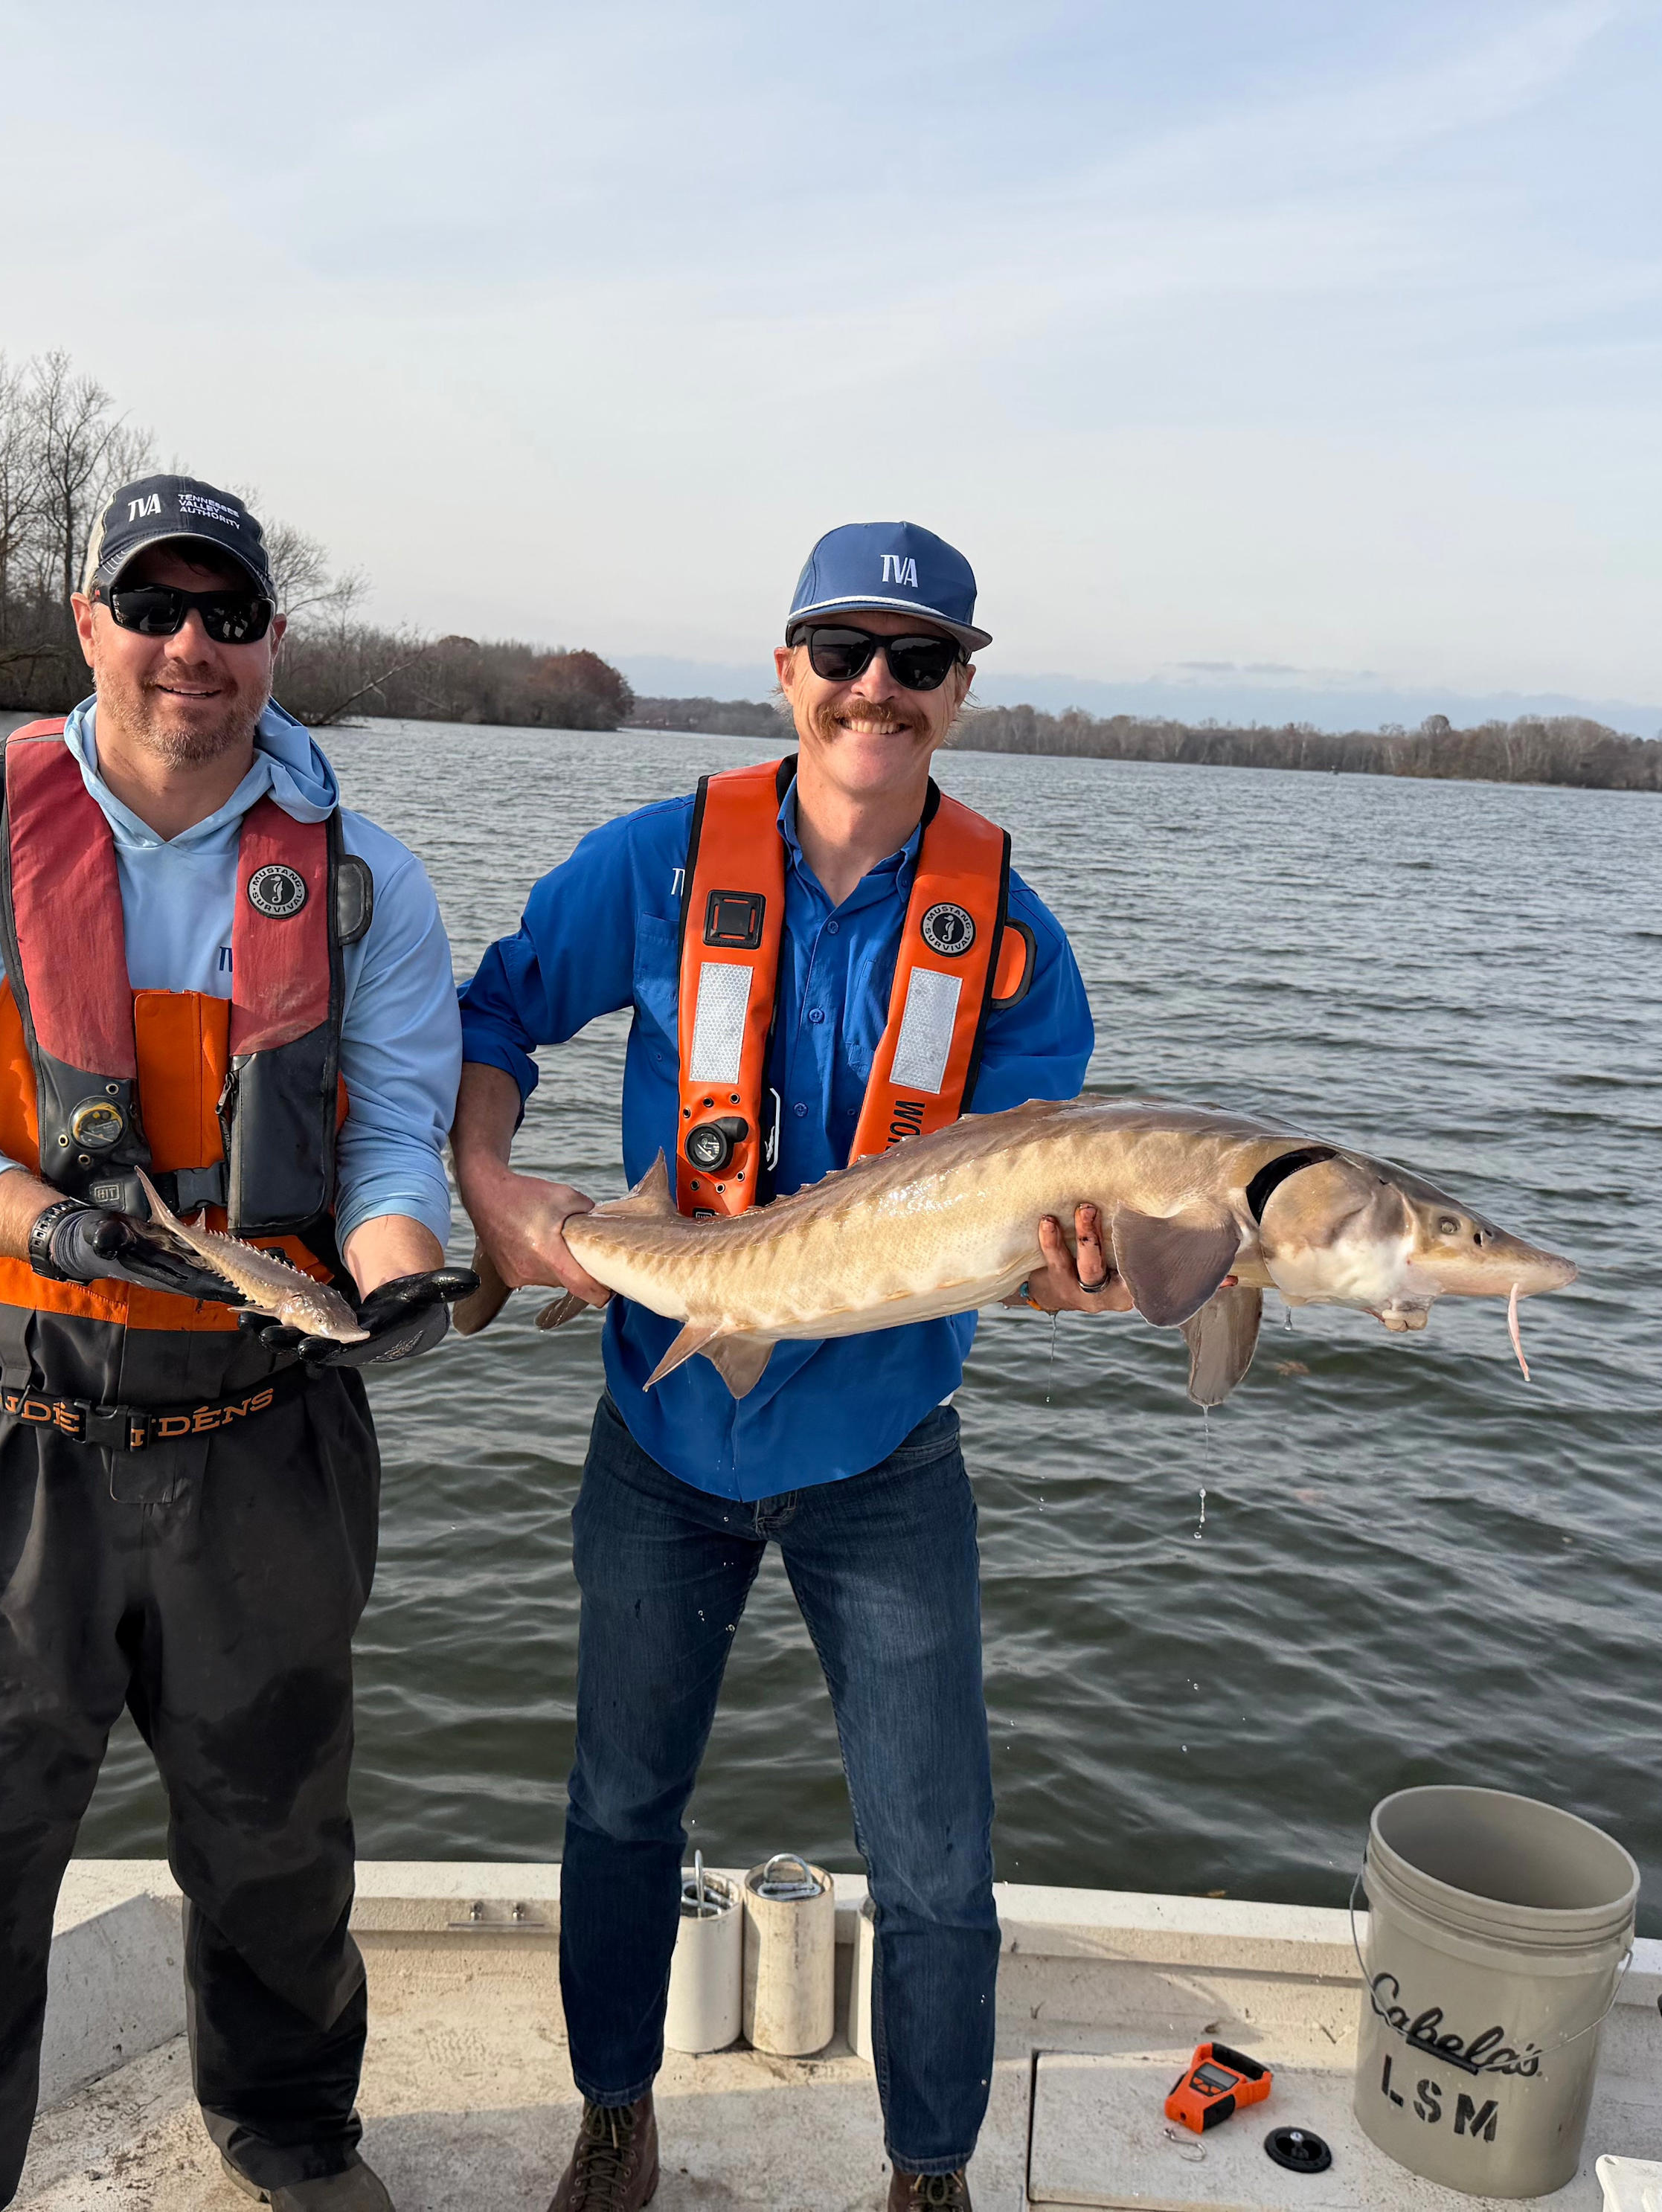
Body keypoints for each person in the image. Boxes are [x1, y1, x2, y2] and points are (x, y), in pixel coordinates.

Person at [0, 473, 472, 2212]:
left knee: (280, 1845)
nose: (192, 647)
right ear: (87, 622)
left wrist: (397, 1275)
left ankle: (293, 2134)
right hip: (7, 1431)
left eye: (229, 614)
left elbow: (393, 1140)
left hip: (266, 1428)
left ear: (270, 641)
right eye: (153, 609)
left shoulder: (362, 883)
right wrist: (60, 1223)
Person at [455, 522, 1132, 2212]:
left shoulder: (1019, 938)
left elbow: (1049, 1219)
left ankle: (928, 2172)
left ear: (965, 689)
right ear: (787, 669)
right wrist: (490, 1190)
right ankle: (615, 2112)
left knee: (937, 1860)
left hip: (886, 1453)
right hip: (659, 1424)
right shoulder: (662, 860)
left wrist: (1079, 1272)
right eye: (845, 651)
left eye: (918, 659)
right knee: (620, 1806)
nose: (876, 690)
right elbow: (491, 1011)